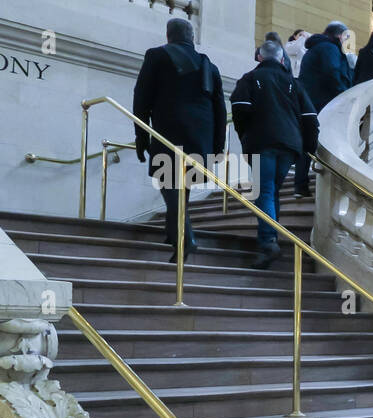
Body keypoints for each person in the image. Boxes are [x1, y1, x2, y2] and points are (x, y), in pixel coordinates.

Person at [132, 17, 226, 263]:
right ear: (192, 38)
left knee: (168, 183)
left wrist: (140, 135)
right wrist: (217, 147)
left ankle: (186, 238)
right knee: (180, 184)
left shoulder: (157, 56)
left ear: (168, 36)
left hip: (170, 131)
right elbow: (220, 111)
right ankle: (171, 231)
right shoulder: (210, 66)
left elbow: (141, 97)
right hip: (201, 135)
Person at [230, 41, 320, 269]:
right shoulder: (294, 83)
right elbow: (311, 117)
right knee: (272, 192)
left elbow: (240, 108)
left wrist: (245, 137)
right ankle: (272, 235)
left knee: (266, 192)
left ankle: (269, 242)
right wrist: (307, 149)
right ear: (282, 59)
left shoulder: (249, 79)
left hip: (262, 143)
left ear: (259, 57)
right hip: (290, 147)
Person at [295, 21, 352, 196]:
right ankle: (317, 185)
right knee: (326, 142)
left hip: (308, 103)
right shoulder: (329, 49)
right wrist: (344, 93)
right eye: (345, 37)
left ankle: (301, 186)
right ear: (339, 36)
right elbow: (332, 72)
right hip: (324, 103)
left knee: (307, 144)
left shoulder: (314, 49)